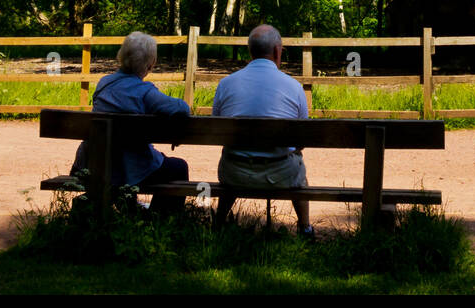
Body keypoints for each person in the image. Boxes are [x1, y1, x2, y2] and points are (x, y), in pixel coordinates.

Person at [211, 24, 314, 237]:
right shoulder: (293, 86)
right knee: (298, 162)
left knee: (232, 155)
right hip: (280, 174)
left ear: (250, 51)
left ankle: (218, 225)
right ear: (277, 52)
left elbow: (217, 131)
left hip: (234, 173)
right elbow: (302, 139)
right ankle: (305, 229)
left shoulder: (226, 84)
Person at [71, 31, 191, 213]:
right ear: (150, 64)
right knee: (179, 167)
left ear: (122, 55)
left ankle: (129, 210)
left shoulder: (104, 83)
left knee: (124, 160)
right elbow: (181, 108)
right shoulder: (145, 92)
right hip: (129, 166)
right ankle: (160, 219)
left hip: (94, 162)